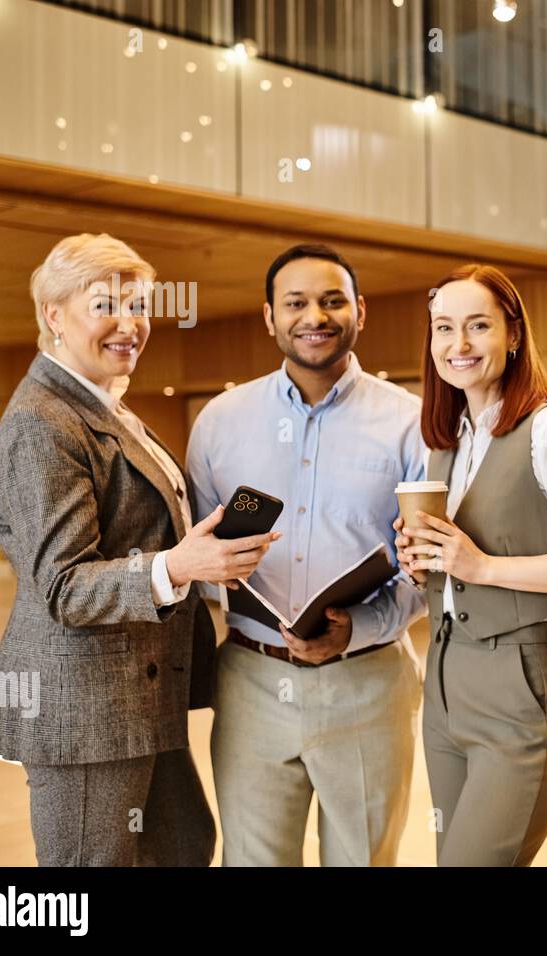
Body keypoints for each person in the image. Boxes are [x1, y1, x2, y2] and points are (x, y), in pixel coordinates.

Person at [0, 233, 277, 866]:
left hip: (141, 698)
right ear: (54, 316)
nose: (131, 323)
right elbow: (61, 586)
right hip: (87, 711)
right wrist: (177, 567)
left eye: (139, 305)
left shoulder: (106, 408)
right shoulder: (44, 421)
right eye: (105, 304)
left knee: (183, 848)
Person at [186, 243, 427, 866]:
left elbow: (428, 563)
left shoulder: (411, 422)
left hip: (369, 682)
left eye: (331, 300)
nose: (313, 316)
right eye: (295, 303)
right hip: (251, 680)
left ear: (359, 311)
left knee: (363, 859)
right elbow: (197, 546)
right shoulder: (220, 421)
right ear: (269, 317)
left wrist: (361, 627)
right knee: (253, 859)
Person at [394, 264, 547, 866]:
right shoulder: (443, 441)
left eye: (477, 326)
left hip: (520, 681)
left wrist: (481, 567)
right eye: (443, 329)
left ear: (513, 334)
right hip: (444, 680)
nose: (457, 345)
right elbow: (453, 569)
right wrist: (422, 564)